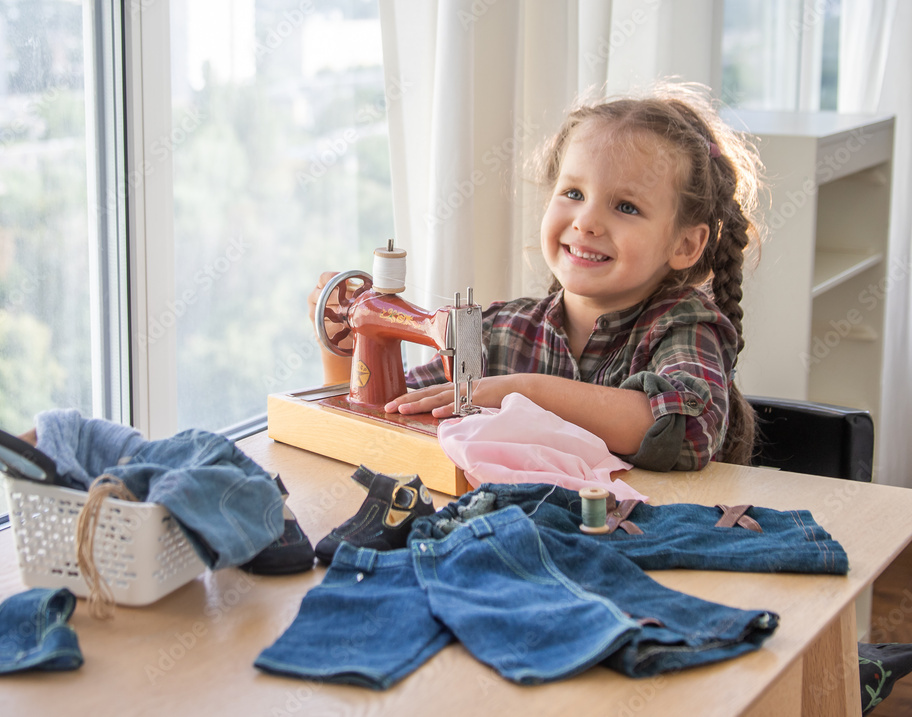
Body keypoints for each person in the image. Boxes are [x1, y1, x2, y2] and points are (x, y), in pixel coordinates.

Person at [309, 81, 764, 471]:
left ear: (684, 244)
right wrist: (345, 342)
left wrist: (525, 392)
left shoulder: (684, 325)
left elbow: (686, 431)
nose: (586, 221)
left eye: (626, 206)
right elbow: (397, 408)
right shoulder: (501, 331)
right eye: (573, 192)